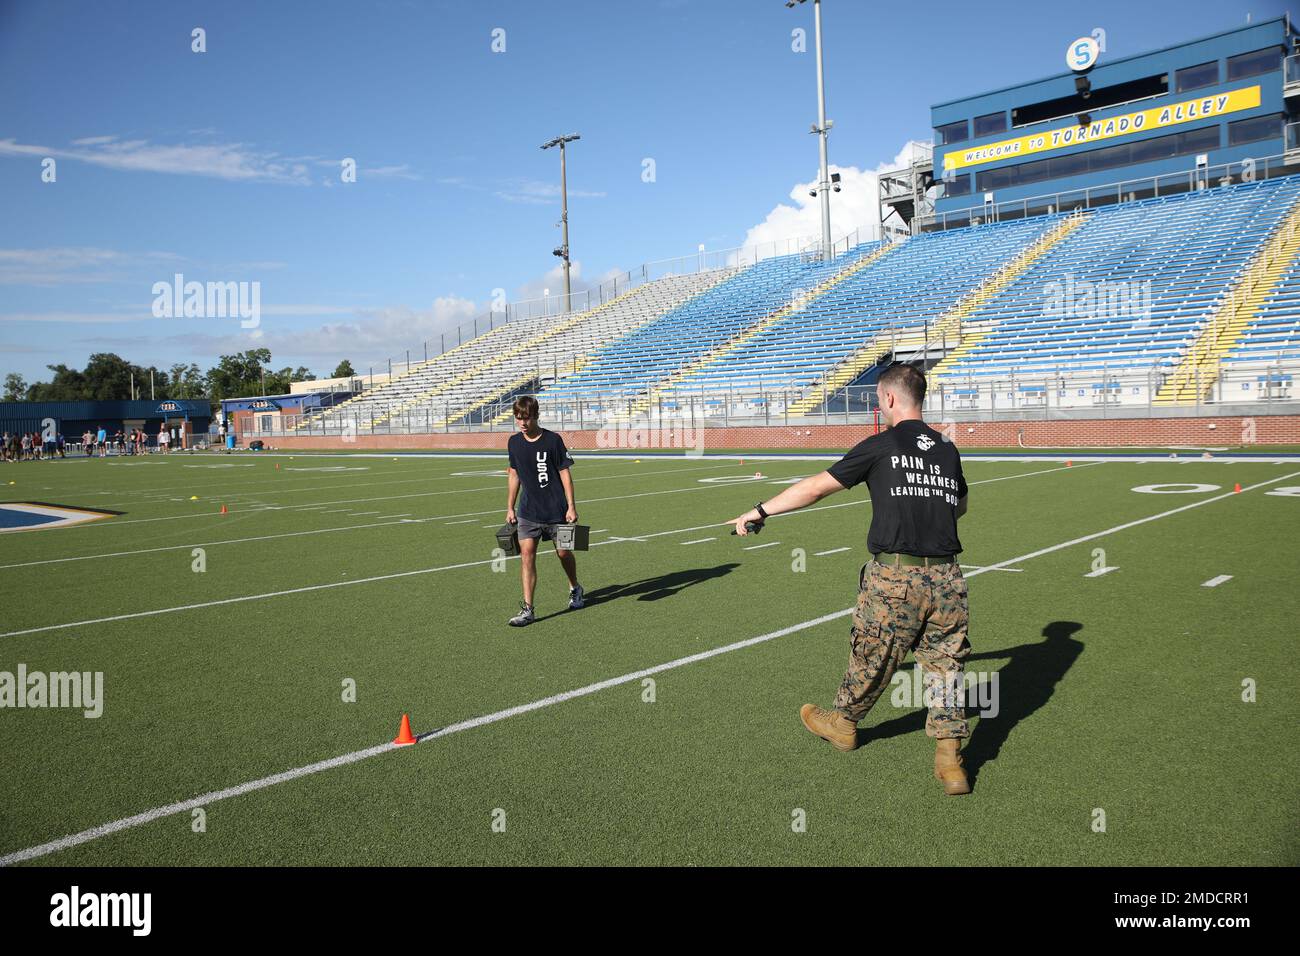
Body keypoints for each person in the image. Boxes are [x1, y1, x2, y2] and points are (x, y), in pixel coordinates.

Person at [729, 363, 973, 796]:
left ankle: (842, 725)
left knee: (873, 656)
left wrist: (760, 510)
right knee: (946, 669)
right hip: (948, 576)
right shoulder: (947, 449)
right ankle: (950, 761)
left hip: (896, 576)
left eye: (879, 398)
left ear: (891, 399)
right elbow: (960, 507)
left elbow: (816, 487)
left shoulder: (880, 445)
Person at [504, 395, 583, 627]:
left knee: (564, 553)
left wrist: (571, 506)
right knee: (526, 555)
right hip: (528, 512)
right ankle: (528, 609)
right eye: (518, 418)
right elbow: (513, 474)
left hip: (557, 510)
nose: (522, 423)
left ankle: (575, 588)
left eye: (526, 418)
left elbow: (565, 473)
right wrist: (510, 506)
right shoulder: (513, 442)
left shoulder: (553, 440)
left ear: (536, 416)